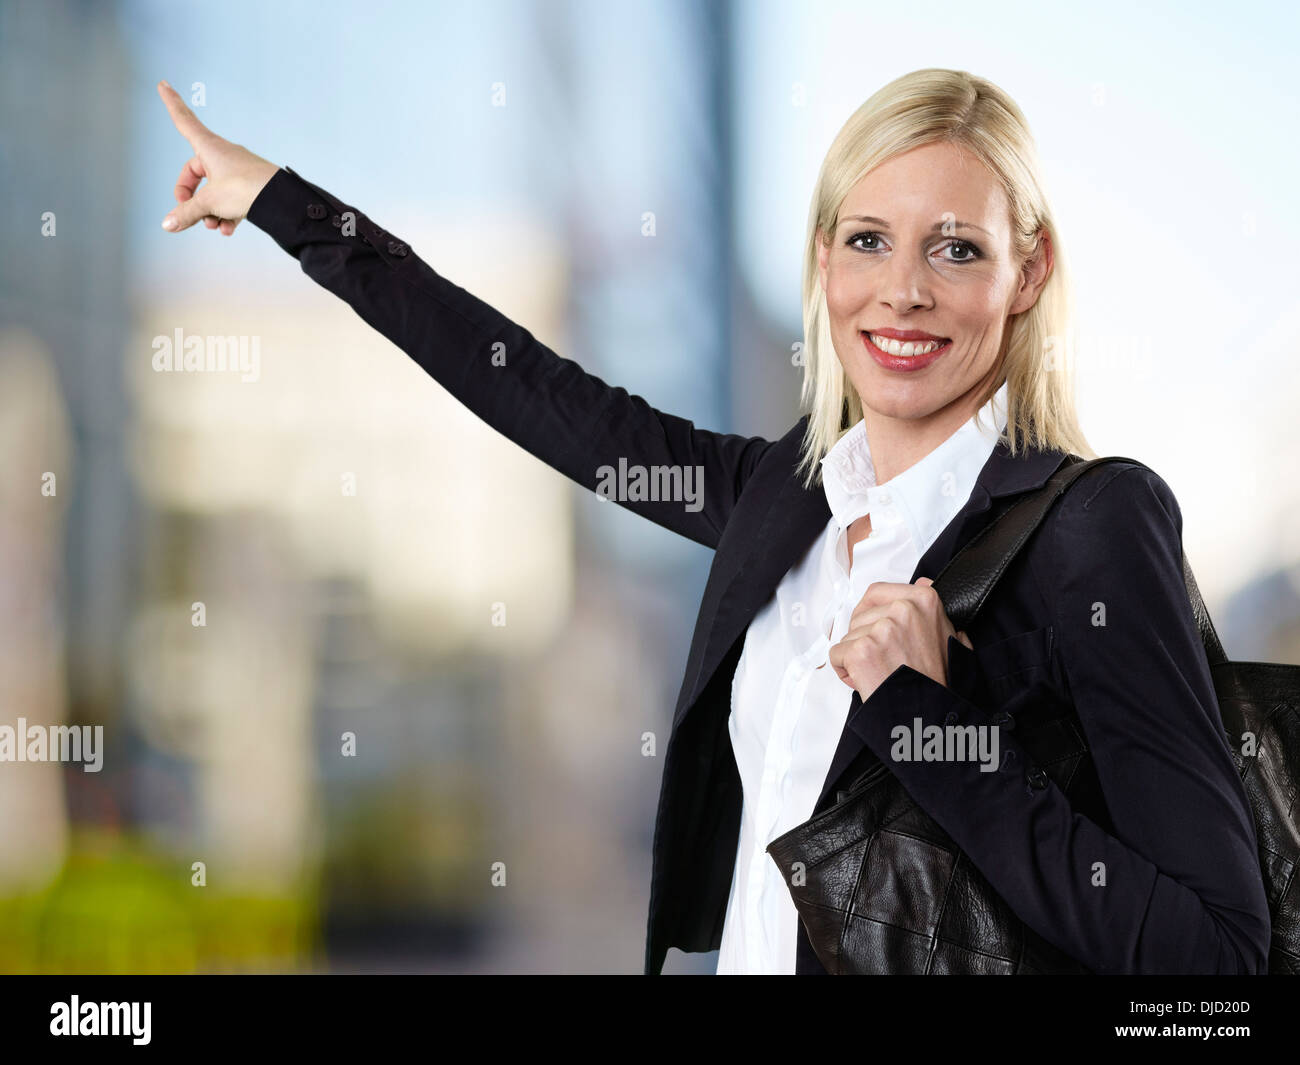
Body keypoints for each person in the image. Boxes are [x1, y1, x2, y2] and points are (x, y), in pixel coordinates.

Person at [157, 68, 1271, 975]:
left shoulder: (1087, 526)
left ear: (1025, 275)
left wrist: (927, 724)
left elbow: (1216, 955)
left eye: (957, 248)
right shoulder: (778, 499)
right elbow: (531, 391)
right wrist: (278, 203)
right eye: (867, 240)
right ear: (822, 259)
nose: (902, 294)